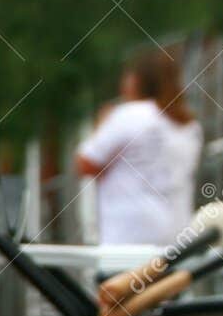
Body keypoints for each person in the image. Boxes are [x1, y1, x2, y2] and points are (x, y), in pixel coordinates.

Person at [76, 48, 203, 246]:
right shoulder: (189, 125)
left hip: (128, 239)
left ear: (138, 80)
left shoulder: (128, 115)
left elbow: (85, 164)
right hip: (176, 237)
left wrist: (101, 124)